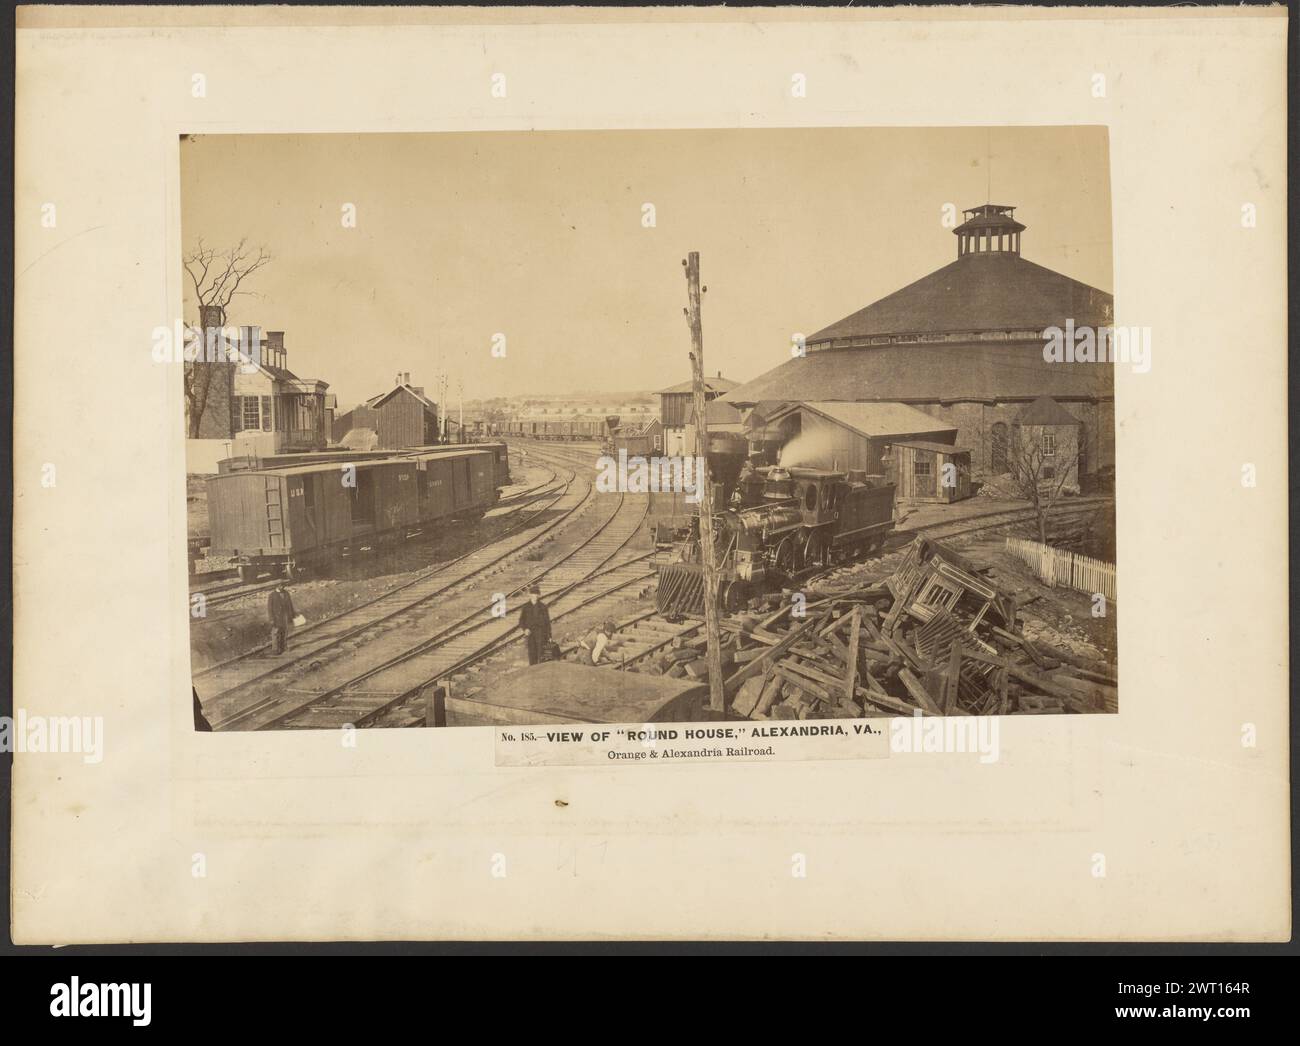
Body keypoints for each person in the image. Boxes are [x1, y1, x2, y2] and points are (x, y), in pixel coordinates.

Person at [518, 584, 552, 666]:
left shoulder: (543, 607)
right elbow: (521, 620)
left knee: (542, 655)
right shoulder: (526, 607)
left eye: (536, 594)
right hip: (531, 634)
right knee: (532, 655)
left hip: (541, 634)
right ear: (529, 595)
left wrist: (550, 636)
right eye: (533, 594)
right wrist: (525, 629)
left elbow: (547, 622)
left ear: (539, 595)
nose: (535, 596)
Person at [267, 581, 297, 655]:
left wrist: (292, 614)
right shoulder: (272, 595)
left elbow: (290, 604)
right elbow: (269, 608)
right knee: (275, 632)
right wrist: (271, 618)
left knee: (284, 631)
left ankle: (284, 647)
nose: (282, 587)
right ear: (277, 586)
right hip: (276, 617)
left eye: (283, 585)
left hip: (285, 616)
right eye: (281, 585)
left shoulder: (286, 593)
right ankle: (275, 649)